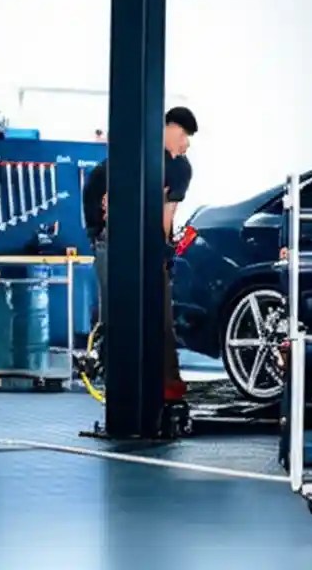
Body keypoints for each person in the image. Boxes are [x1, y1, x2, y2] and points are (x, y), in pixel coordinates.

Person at [83, 106, 198, 403]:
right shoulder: (132, 158)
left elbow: (167, 214)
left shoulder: (179, 168)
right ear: (169, 127)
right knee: (116, 312)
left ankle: (162, 380)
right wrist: (99, 229)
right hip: (111, 239)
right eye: (184, 134)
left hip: (143, 242)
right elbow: (102, 198)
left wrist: (162, 249)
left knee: (157, 313)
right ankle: (118, 381)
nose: (186, 143)